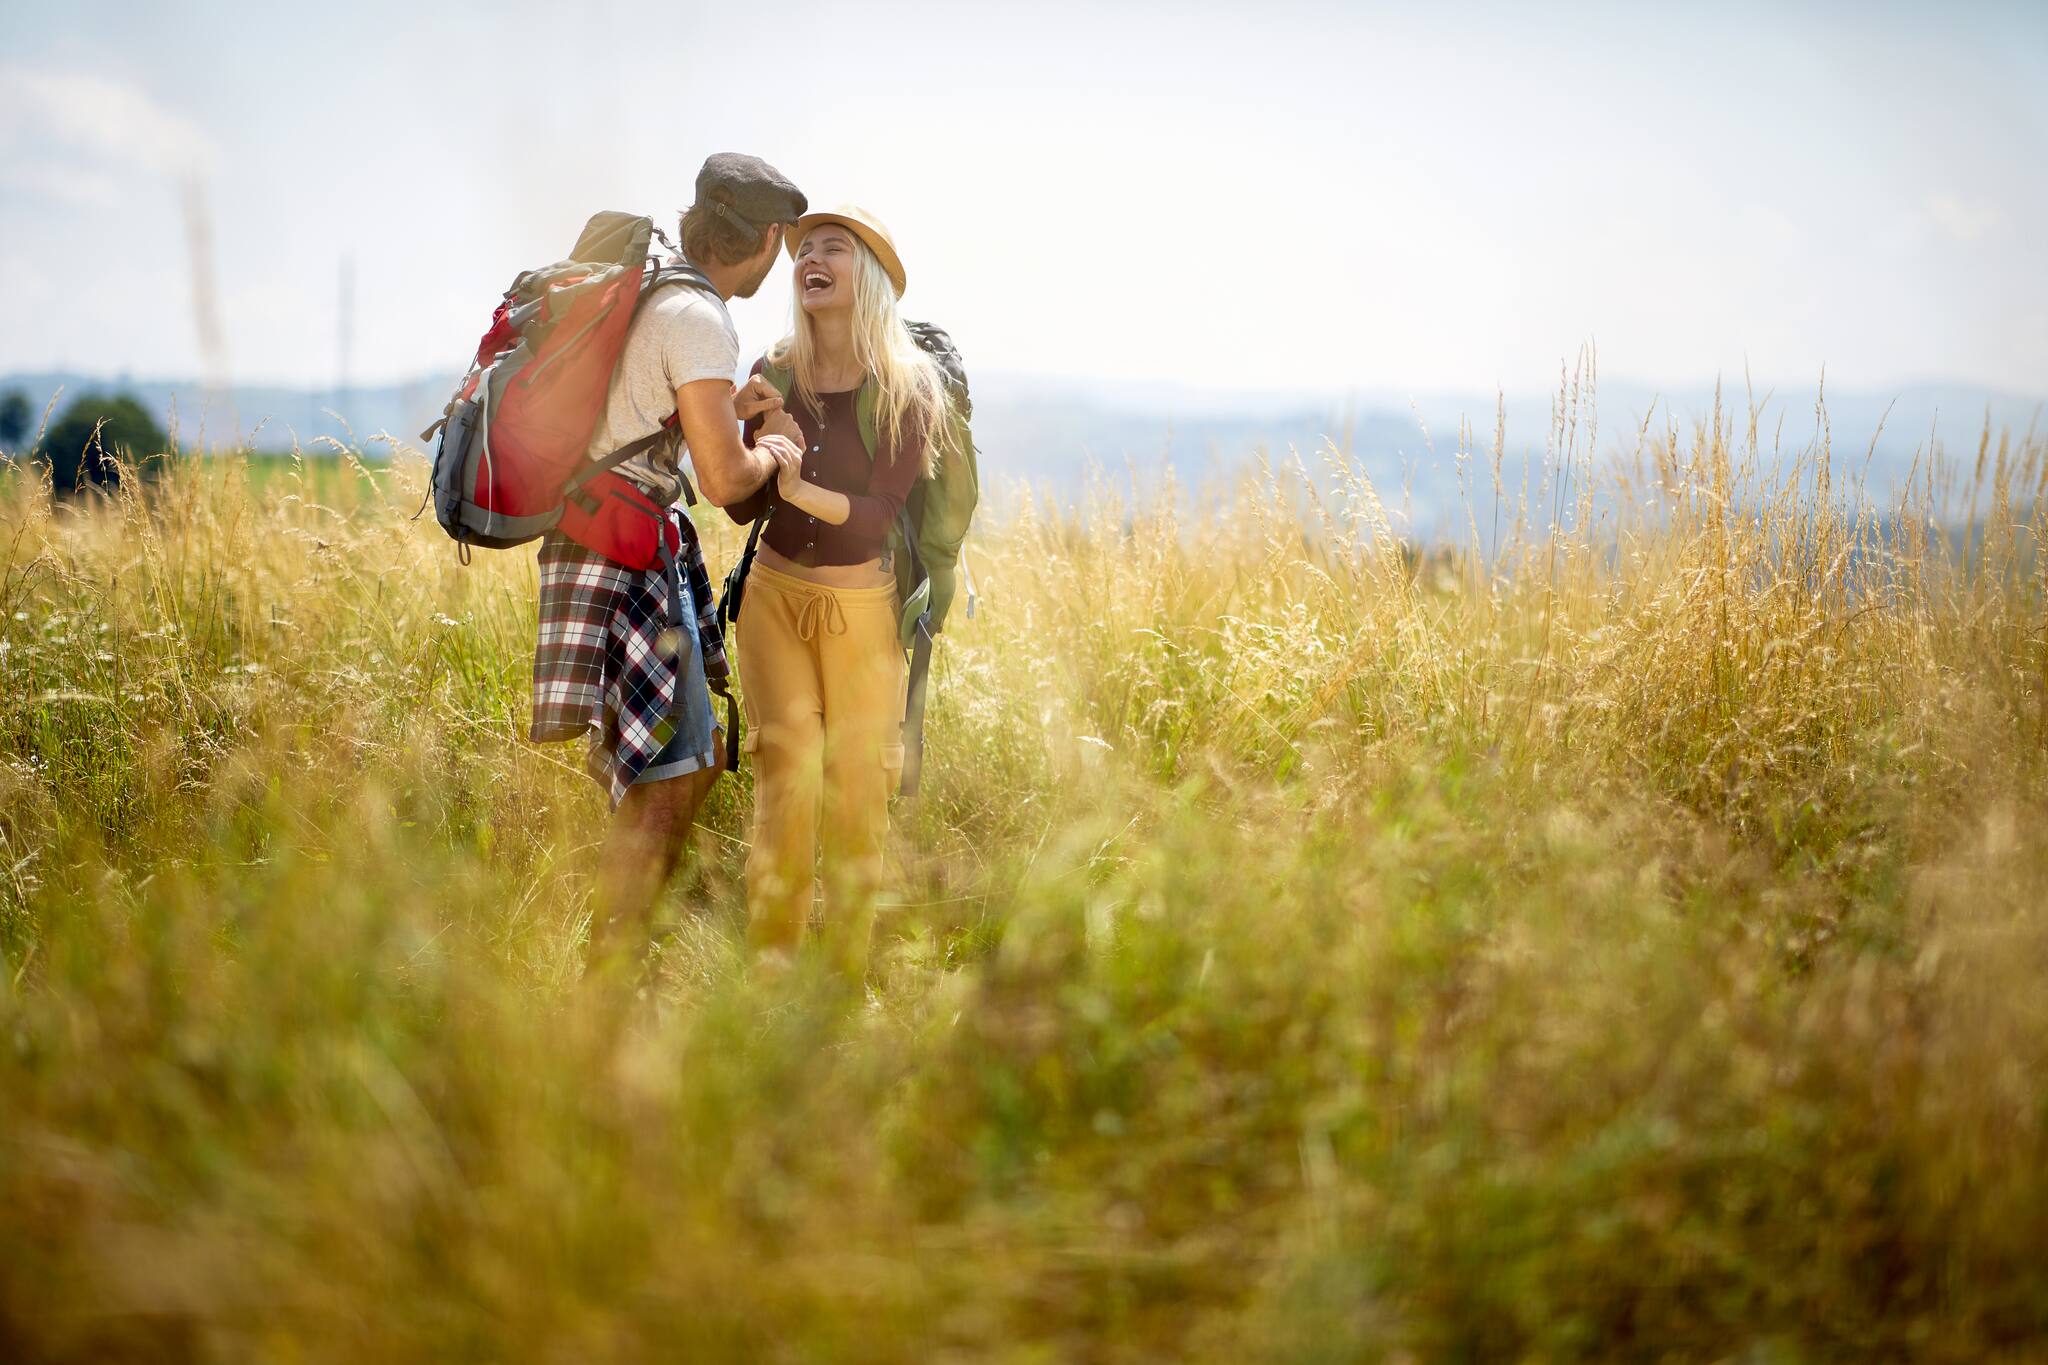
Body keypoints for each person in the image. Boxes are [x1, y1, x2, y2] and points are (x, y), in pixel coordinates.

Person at [529, 153, 808, 974]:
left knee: (674, 764)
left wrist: (724, 410)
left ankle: (617, 968)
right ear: (763, 239)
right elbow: (726, 482)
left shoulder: (658, 291)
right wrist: (779, 450)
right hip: (629, 559)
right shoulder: (700, 316)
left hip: (600, 546)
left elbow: (645, 423)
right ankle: (611, 982)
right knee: (669, 776)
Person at [725, 206, 953, 980]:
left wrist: (797, 481)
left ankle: (842, 984)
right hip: (774, 598)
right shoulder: (774, 367)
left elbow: (879, 516)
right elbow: (745, 508)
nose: (810, 258)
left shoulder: (908, 384)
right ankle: (771, 973)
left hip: (862, 609)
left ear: (873, 280)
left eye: (834, 249)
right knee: (786, 778)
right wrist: (754, 445)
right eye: (804, 249)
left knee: (858, 792)